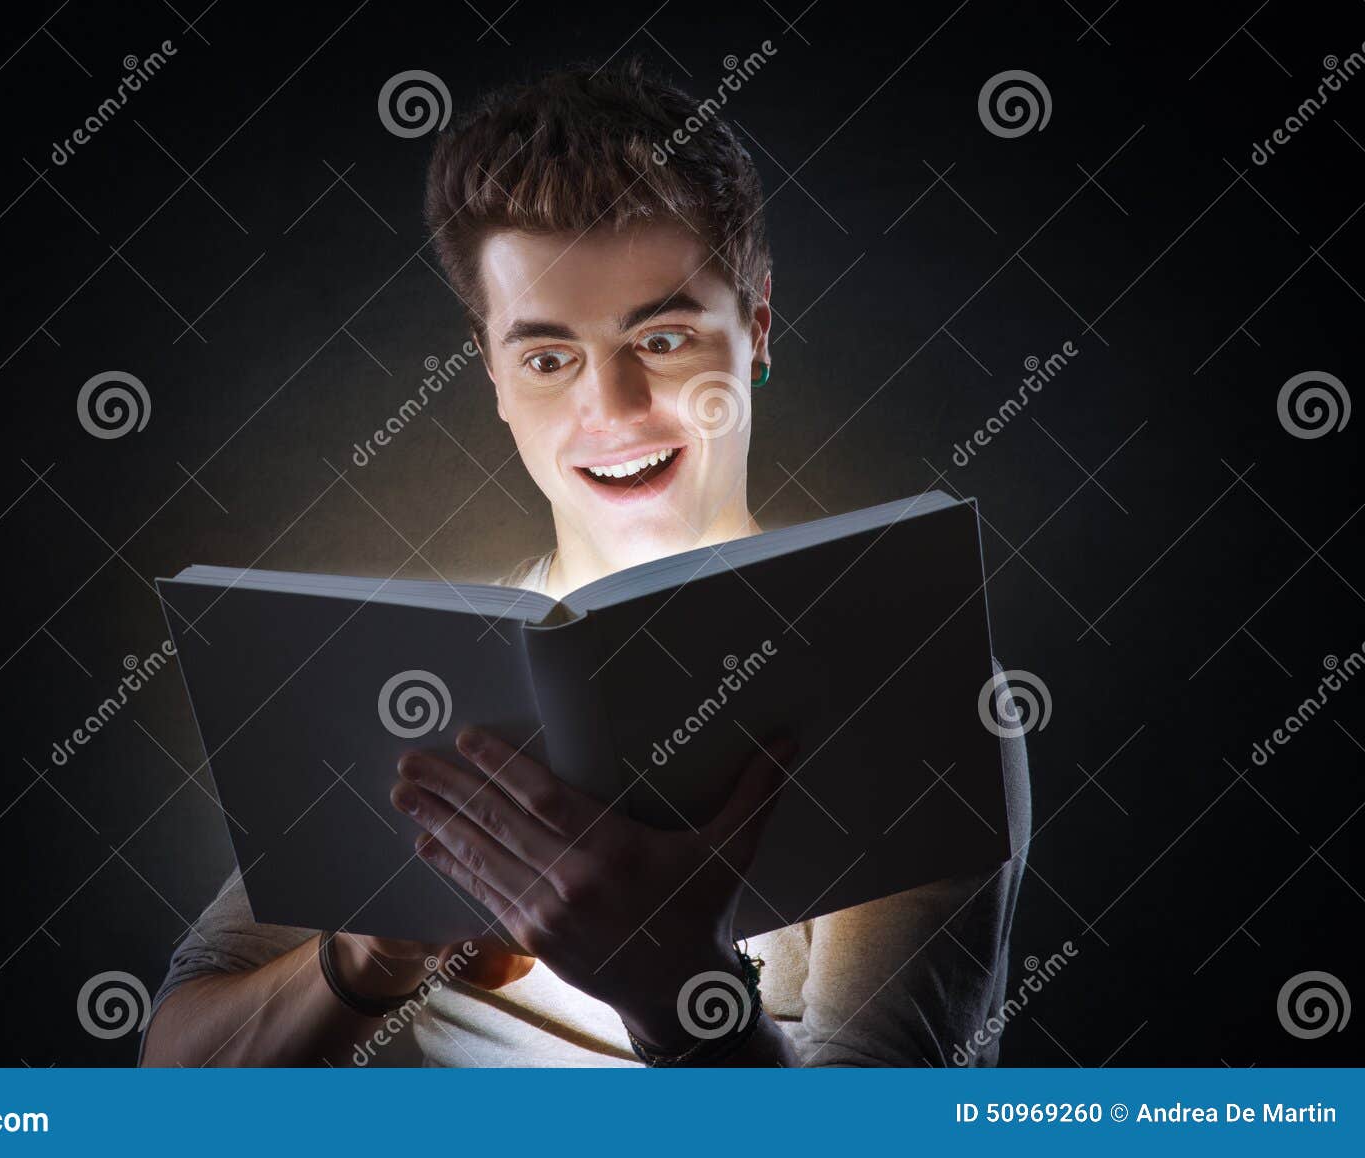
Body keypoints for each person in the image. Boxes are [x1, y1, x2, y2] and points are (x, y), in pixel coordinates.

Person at [140, 59, 1031, 1068]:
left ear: (758, 328)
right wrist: (368, 955)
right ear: (492, 374)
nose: (609, 410)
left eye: (662, 336)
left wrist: (673, 988)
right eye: (548, 357)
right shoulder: (411, 674)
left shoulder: (904, 683)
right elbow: (173, 1082)